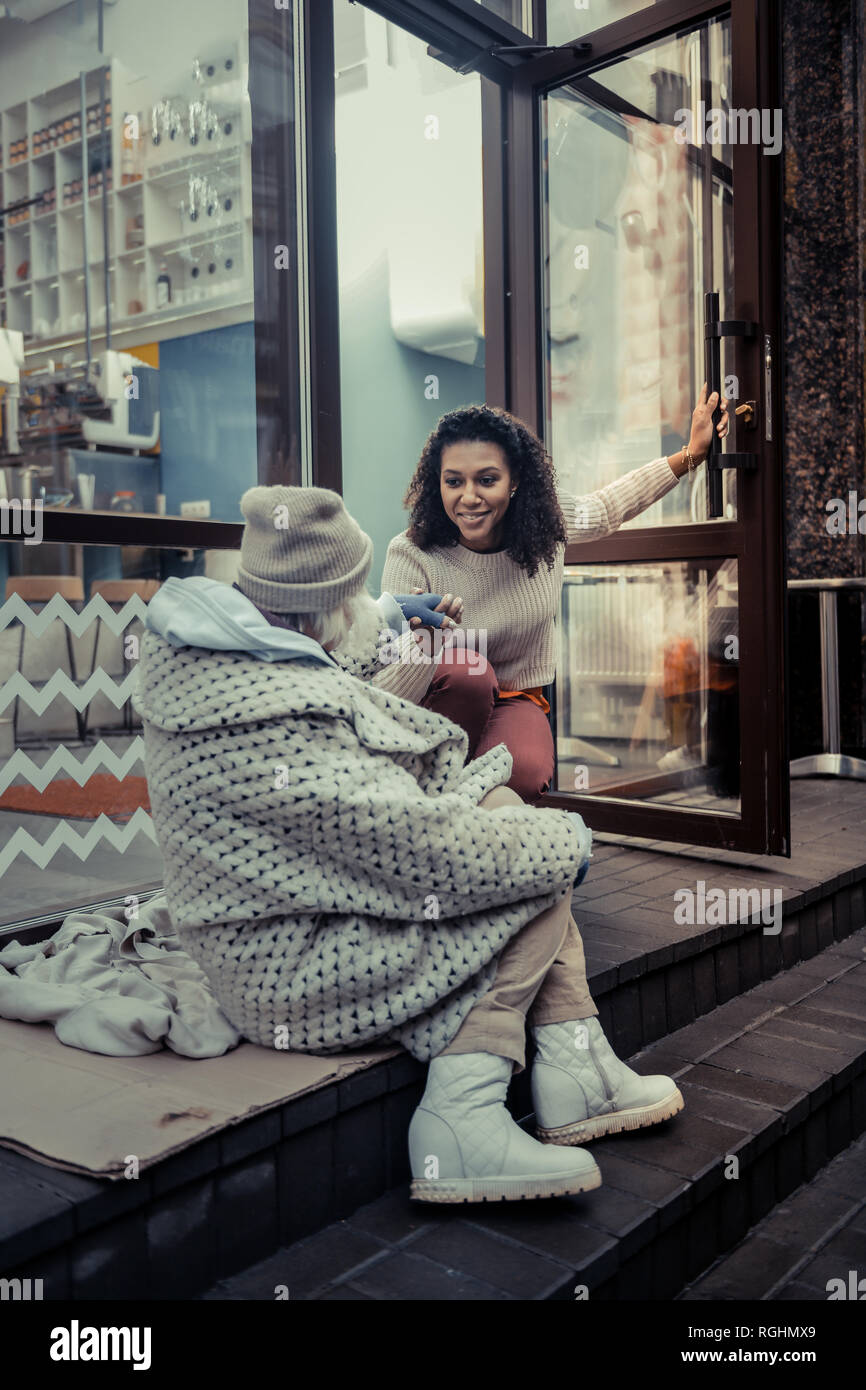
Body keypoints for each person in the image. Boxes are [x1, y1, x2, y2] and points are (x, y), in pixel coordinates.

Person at [134, 485, 684, 1204]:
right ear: (318, 609)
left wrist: (390, 615)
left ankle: (578, 1070)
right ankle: (461, 1122)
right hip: (287, 971)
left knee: (498, 807)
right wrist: (564, 841)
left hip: (277, 921)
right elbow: (430, 854)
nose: (362, 608)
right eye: (353, 595)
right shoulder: (272, 733)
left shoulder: (218, 650)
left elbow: (309, 654)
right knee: (528, 869)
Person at [374, 384, 730, 801]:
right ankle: (429, 788)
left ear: (515, 481)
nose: (468, 497)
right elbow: (383, 682)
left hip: (514, 698)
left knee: (522, 776)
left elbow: (610, 506)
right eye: (454, 481)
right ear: (438, 484)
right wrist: (423, 645)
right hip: (435, 704)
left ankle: (460, 802)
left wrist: (691, 455)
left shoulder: (544, 529)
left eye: (486, 480)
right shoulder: (411, 553)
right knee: (470, 674)